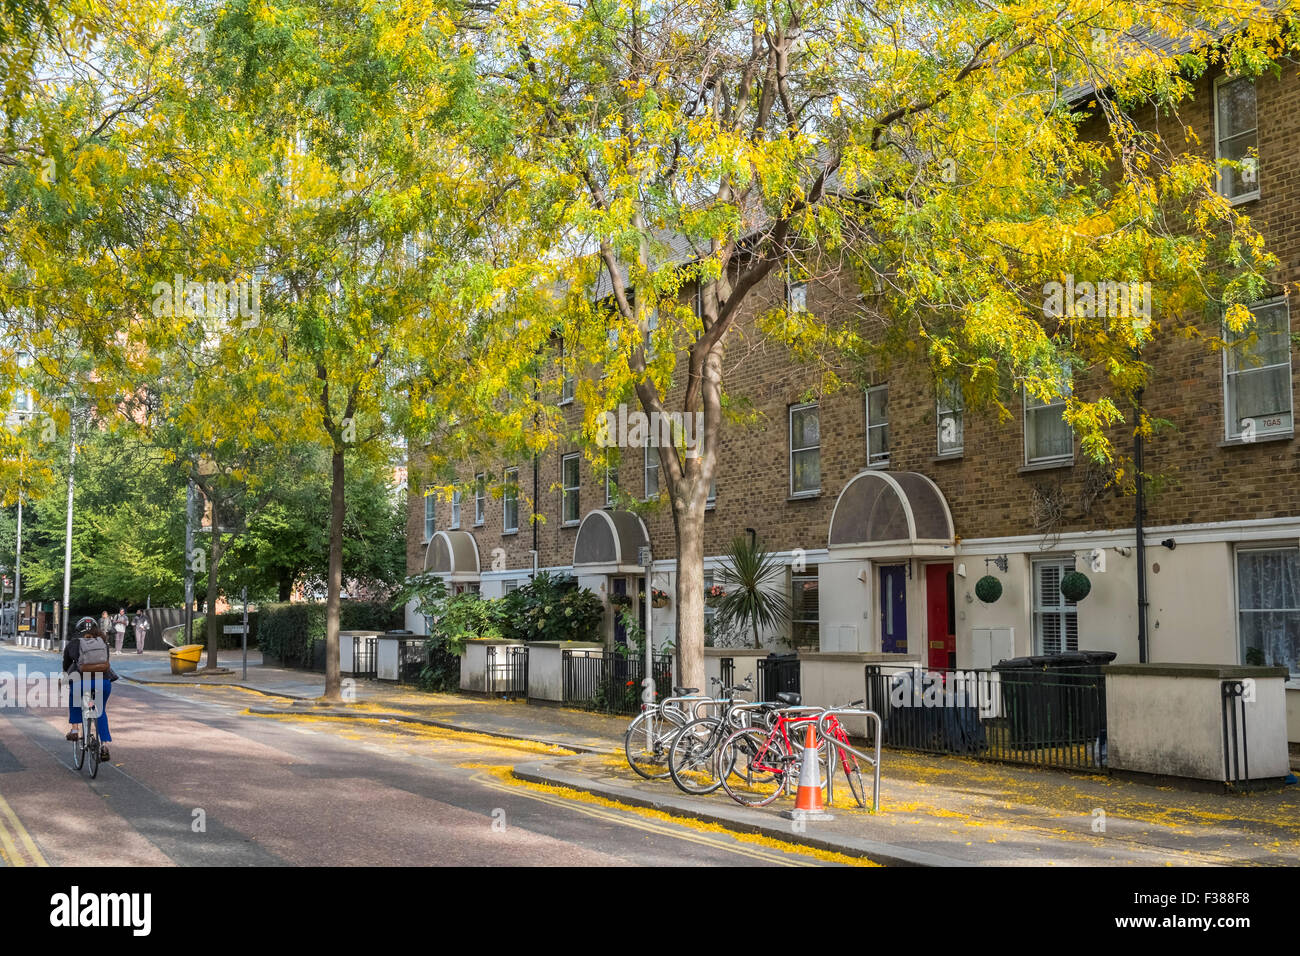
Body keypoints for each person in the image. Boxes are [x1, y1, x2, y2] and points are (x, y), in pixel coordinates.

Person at [63, 616, 118, 761]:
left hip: (81, 683)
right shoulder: (103, 643)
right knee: (100, 712)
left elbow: (66, 664)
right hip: (103, 682)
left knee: (74, 698)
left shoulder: (74, 644)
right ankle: (104, 745)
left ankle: (75, 729)